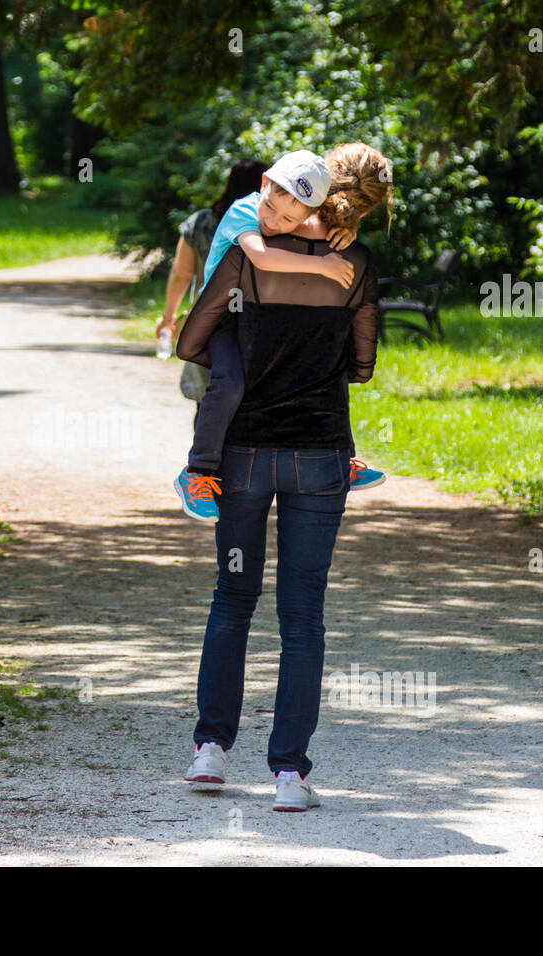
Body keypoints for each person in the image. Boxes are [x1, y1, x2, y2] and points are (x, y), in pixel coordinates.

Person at [174, 142, 393, 811]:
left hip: (241, 457)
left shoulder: (245, 251)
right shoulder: (354, 263)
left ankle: (211, 750)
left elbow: (191, 344)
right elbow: (363, 366)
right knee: (304, 618)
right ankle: (290, 776)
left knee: (232, 600)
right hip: (321, 460)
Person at [168, 149, 385, 523]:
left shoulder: (294, 210)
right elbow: (263, 258)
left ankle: (345, 459)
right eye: (271, 209)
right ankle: (197, 471)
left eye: (289, 219)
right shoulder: (245, 210)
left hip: (254, 319)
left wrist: (346, 227)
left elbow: (326, 219)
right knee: (229, 384)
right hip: (224, 319)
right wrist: (321, 266)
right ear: (264, 183)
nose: (274, 222)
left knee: (324, 368)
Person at [157, 159, 268, 419]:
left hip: (209, 323)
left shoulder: (203, 223)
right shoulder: (276, 225)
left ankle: (207, 458)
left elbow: (181, 274)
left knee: (209, 404)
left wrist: (169, 318)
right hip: (258, 324)